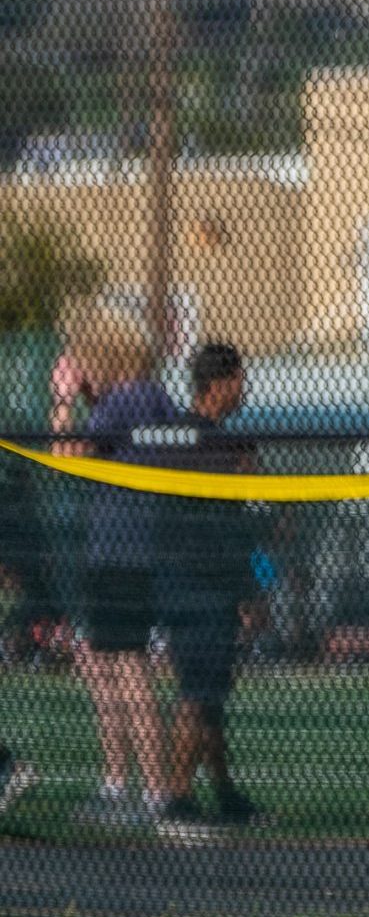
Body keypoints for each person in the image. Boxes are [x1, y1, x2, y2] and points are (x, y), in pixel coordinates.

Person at [131, 343, 266, 825]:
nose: (244, 389)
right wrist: (253, 589)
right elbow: (238, 529)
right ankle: (177, 796)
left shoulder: (173, 440)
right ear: (221, 383)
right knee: (199, 692)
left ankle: (225, 794)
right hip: (208, 585)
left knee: (208, 693)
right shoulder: (224, 450)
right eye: (240, 379)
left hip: (174, 580)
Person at [58, 308, 182, 830]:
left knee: (122, 668)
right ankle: (125, 786)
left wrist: (64, 398)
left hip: (117, 552)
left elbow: (65, 453)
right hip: (137, 549)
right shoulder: (152, 398)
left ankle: (144, 789)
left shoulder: (122, 400)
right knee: (104, 663)